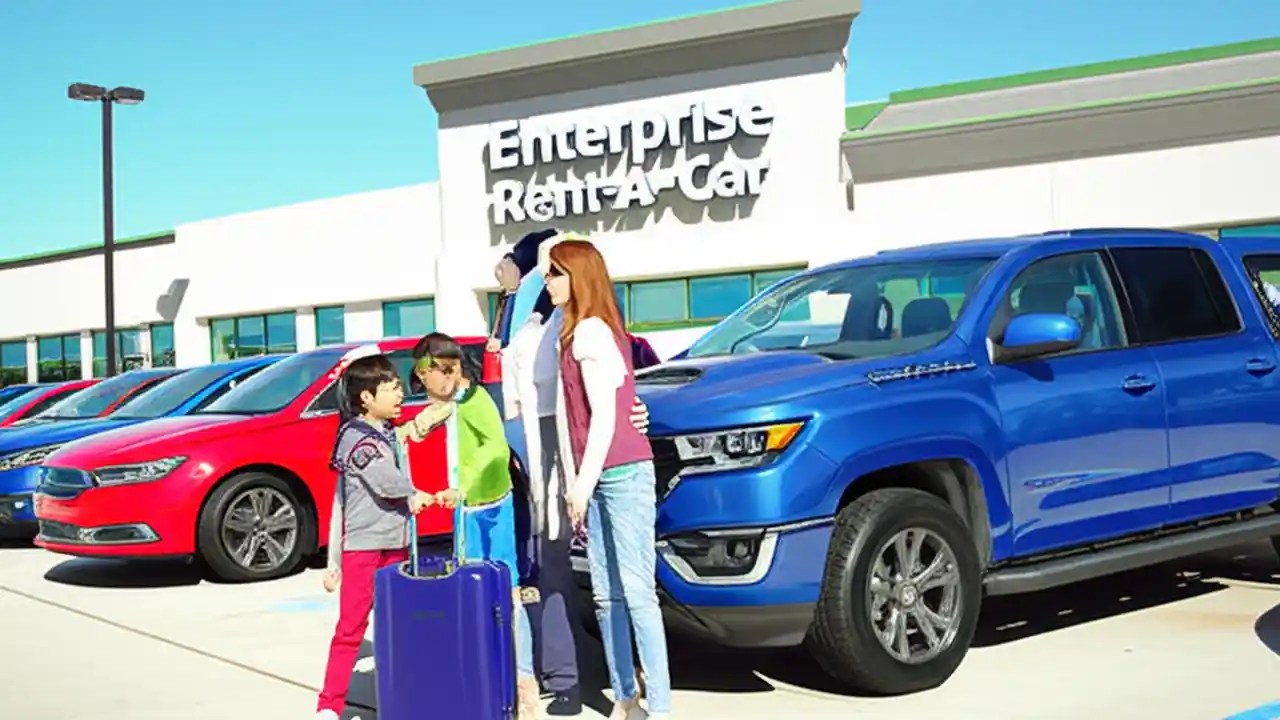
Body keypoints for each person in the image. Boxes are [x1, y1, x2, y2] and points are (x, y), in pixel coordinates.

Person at [499, 229, 653, 716]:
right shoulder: (525, 332)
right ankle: (566, 679)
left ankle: (635, 680)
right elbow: (519, 406)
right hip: (547, 456)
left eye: (555, 271)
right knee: (556, 568)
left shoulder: (589, 323)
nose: (547, 280)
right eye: (543, 271)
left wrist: (637, 410)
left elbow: (619, 386)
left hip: (598, 458)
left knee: (624, 579)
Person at [545, 238, 671, 720]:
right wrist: (574, 480)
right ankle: (625, 698)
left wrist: (580, 483)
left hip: (622, 472)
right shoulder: (569, 330)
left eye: (556, 273)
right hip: (596, 475)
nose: (549, 282)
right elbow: (570, 416)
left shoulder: (593, 332)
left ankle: (656, 705)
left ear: (579, 277)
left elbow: (603, 417)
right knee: (607, 596)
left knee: (636, 593)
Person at [408, 331, 540, 720]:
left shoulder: (477, 401)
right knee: (473, 599)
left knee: (509, 599)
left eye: (425, 377)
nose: (424, 387)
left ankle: (525, 686)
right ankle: (484, 681)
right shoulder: (456, 401)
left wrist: (461, 487)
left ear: (447, 370)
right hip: (465, 510)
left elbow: (496, 448)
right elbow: (431, 419)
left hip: (489, 510)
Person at [315, 349, 435, 720]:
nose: (400, 395)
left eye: (399, 387)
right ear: (366, 398)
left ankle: (400, 700)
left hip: (393, 546)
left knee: (397, 629)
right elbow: (384, 483)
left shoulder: (382, 432)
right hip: (366, 550)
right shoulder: (357, 439)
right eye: (391, 388)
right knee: (352, 629)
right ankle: (329, 705)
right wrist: (416, 495)